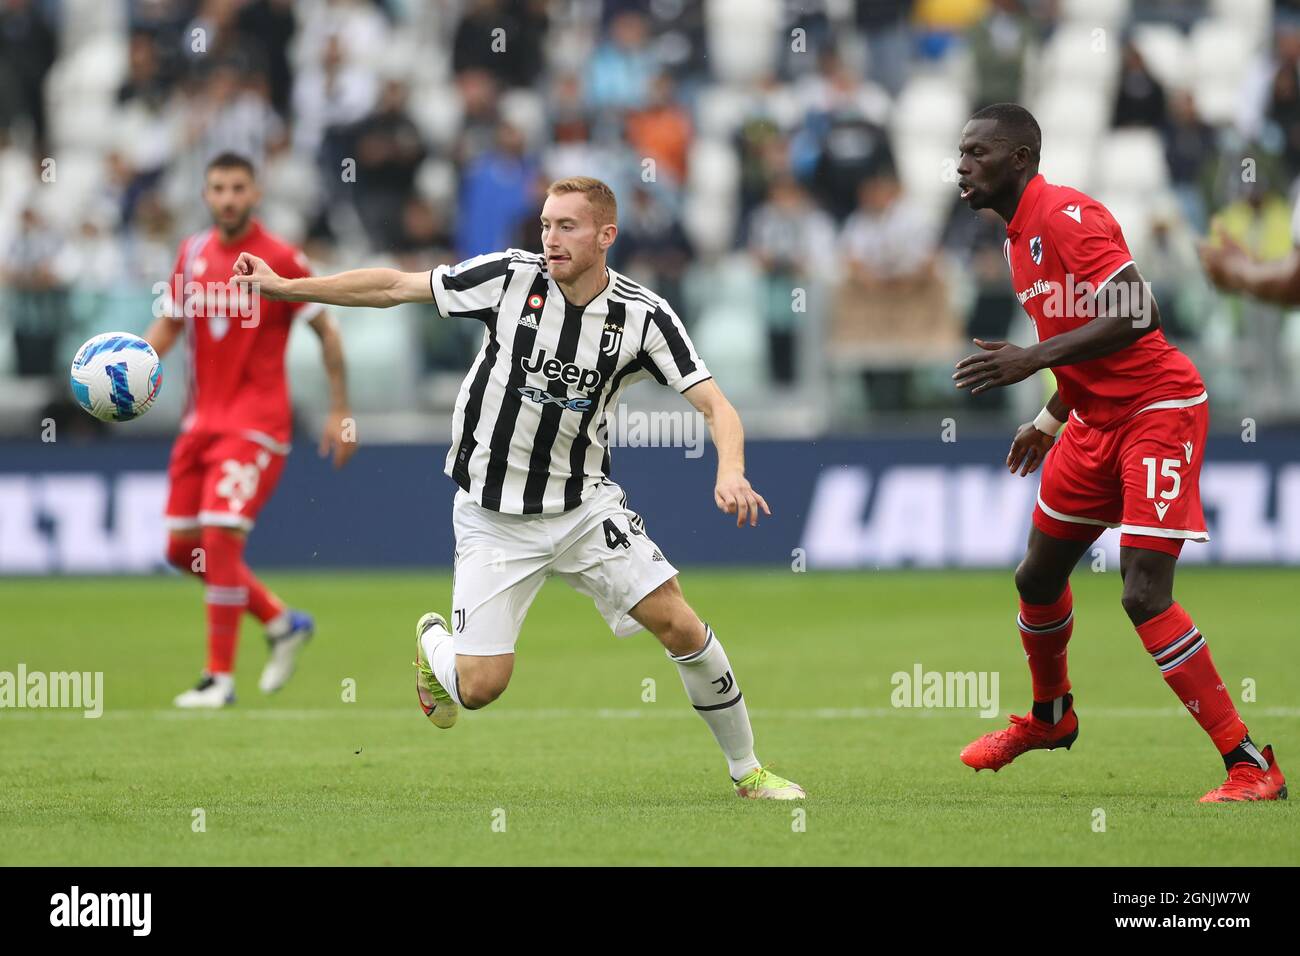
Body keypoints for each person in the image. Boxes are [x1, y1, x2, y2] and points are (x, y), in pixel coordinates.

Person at [229, 176, 805, 800]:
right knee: (479, 689)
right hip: (492, 515)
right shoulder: (509, 279)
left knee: (681, 625)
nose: (550, 240)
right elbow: (395, 286)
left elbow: (717, 405)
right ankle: (434, 641)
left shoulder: (643, 316)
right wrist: (286, 287)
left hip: (583, 506)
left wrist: (731, 470)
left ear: (605, 236)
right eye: (546, 225)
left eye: (567, 227)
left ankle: (748, 772)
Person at [949, 104, 1286, 803]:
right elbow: (1087, 343)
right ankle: (1051, 717)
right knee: (1036, 579)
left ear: (1019, 160)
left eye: (977, 153)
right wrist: (1049, 415)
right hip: (1094, 422)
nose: (961, 165)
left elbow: (1139, 313)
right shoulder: (1017, 243)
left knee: (1141, 593)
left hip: (1158, 410)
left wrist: (1031, 359)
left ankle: (1250, 764)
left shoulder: (1067, 217)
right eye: (959, 153)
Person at [143, 152, 356, 708]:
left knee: (218, 538)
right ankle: (281, 622)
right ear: (205, 194)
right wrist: (131, 371)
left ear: (255, 193)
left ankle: (218, 679)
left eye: (238, 187)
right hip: (200, 423)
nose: (228, 198)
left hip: (256, 425)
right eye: (218, 188)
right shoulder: (190, 254)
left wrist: (340, 411)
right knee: (179, 548)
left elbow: (327, 330)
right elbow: (170, 324)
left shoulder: (279, 257)